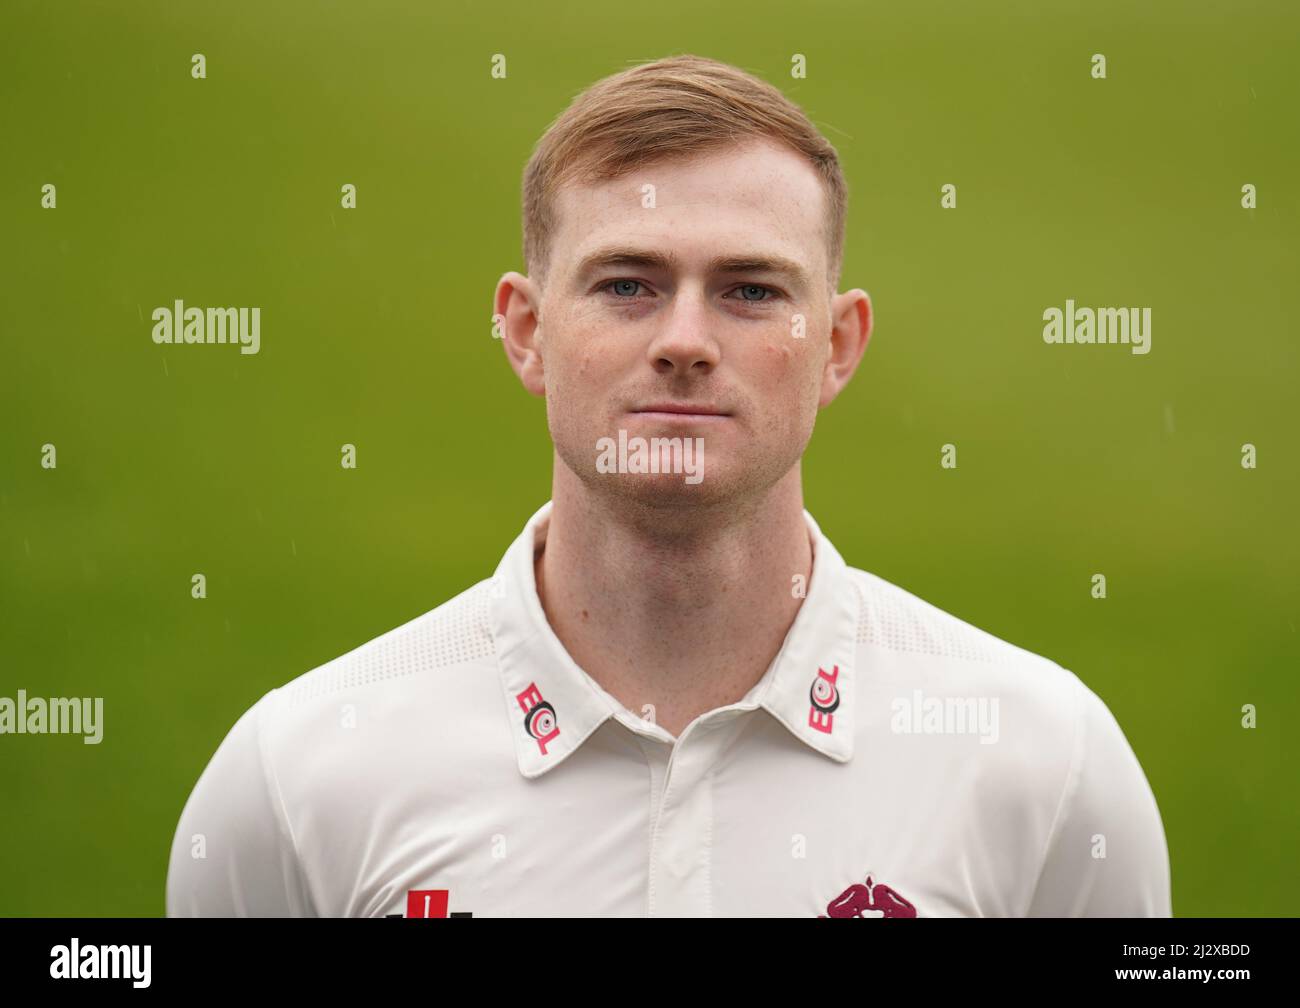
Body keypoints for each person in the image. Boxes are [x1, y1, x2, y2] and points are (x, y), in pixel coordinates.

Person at [166, 54, 1170, 917]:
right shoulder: (299, 778)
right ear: (525, 332)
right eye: (626, 285)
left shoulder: (1043, 762)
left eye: (749, 290)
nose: (684, 343)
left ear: (836, 344)